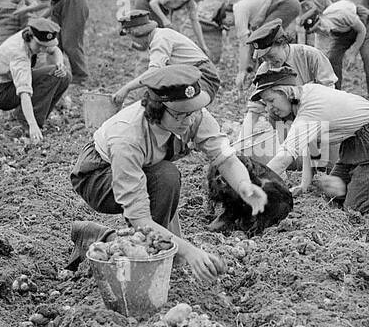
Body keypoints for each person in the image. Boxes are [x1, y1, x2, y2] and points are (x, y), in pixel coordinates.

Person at [68, 65, 267, 282]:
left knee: (165, 179)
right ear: (157, 109)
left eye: (191, 112)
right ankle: (134, 249)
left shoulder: (192, 115)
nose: (189, 121)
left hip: (146, 167)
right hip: (97, 174)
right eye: (180, 115)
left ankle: (113, 241)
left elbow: (225, 158)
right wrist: (189, 252)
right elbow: (140, 219)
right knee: (165, 177)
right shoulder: (128, 138)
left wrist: (243, 185)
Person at [254, 68, 369, 213]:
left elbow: (283, 159)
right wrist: (304, 184)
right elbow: (309, 145)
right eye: (265, 103)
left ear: (286, 92)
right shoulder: (306, 93)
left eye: (271, 100)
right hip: (355, 141)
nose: (268, 108)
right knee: (333, 191)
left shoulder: (310, 110)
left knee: (355, 207)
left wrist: (252, 185)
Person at [234, 19, 338, 160]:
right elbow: (254, 111)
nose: (269, 62)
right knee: (274, 111)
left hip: (317, 114)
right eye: (264, 58)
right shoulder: (264, 70)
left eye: (271, 56)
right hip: (288, 121)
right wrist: (239, 146)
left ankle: (321, 155)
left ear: (283, 44)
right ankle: (292, 156)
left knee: (324, 159)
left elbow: (330, 94)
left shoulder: (310, 55)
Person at [0, 16, 72, 145]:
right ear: (30, 37)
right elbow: (24, 93)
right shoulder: (19, 54)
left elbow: (55, 50)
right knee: (51, 75)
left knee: (64, 76)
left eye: (45, 46)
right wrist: (32, 125)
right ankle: (26, 124)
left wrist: (60, 63)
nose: (43, 50)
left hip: (10, 84)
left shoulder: (33, 36)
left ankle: (29, 117)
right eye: (40, 46)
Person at [4, 0, 91, 86]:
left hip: (73, 1)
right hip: (60, 3)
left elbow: (44, 3)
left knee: (70, 42)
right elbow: (51, 4)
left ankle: (80, 77)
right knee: (54, 41)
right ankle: (54, 73)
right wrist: (39, 20)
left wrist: (24, 10)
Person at [299, 0, 369, 105]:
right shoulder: (321, 31)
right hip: (342, 31)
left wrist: (353, 52)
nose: (321, 31)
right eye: (316, 30)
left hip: (363, 22)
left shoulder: (340, 15)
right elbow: (320, 55)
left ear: (321, 19)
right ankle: (334, 94)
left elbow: (361, 30)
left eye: (320, 27)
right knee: (332, 58)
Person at [112, 10, 222, 106]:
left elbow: (153, 73)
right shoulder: (161, 33)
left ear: (134, 33)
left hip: (203, 77)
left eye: (131, 38)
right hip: (194, 75)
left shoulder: (159, 40)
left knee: (160, 104)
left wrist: (126, 88)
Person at [231, 0, 305, 88]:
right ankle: (263, 75)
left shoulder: (239, 12)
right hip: (286, 2)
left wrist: (241, 72)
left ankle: (276, 78)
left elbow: (244, 44)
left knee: (267, 42)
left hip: (284, 3)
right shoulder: (243, 6)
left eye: (225, 22)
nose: (228, 25)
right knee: (265, 43)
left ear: (227, 13)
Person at [132, 0, 211, 50]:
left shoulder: (191, 2)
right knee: (157, 35)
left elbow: (195, 22)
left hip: (158, 8)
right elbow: (153, 3)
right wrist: (164, 20)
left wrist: (203, 46)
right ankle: (136, 43)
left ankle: (142, 47)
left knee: (160, 36)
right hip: (146, 3)